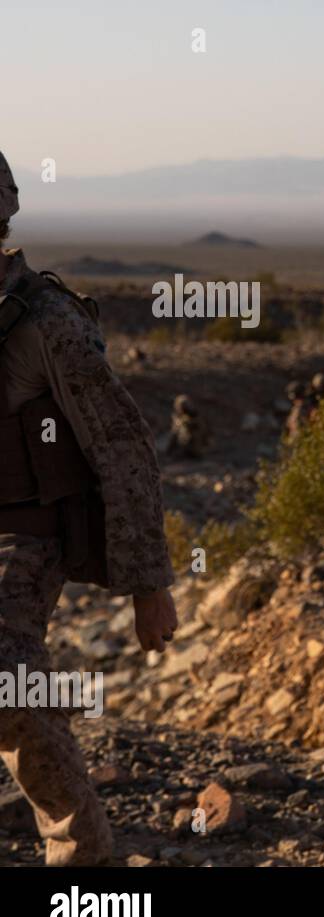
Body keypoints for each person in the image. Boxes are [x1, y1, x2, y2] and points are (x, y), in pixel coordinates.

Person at [0, 149, 177, 865]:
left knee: (6, 678)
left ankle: (85, 864)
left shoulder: (48, 324)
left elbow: (123, 448)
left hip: (21, 534)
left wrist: (149, 584)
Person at [162, 393, 211, 458]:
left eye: (187, 404)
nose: (187, 406)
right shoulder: (179, 418)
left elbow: (204, 432)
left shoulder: (196, 417)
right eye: (184, 404)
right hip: (183, 446)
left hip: (194, 446)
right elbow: (174, 435)